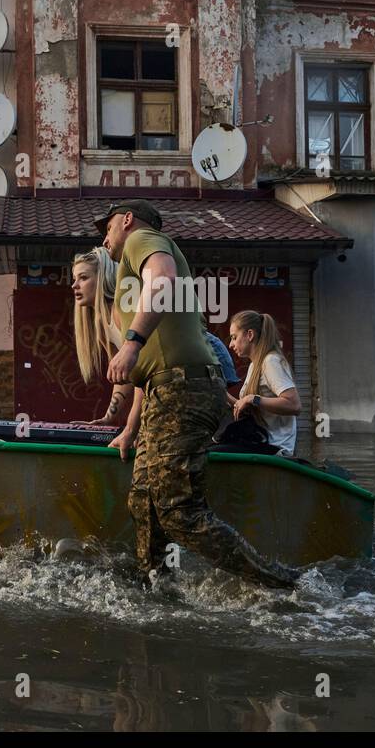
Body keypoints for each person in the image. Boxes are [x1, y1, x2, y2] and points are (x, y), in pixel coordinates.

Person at [98, 199, 299, 589]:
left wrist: (132, 342)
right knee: (144, 499)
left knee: (177, 510)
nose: (105, 238)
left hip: (184, 390)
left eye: (107, 228)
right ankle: (156, 585)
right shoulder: (130, 277)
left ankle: (280, 585)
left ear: (126, 220)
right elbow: (155, 367)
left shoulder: (143, 238)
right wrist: (130, 428)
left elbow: (163, 279)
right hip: (166, 390)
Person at [70, 247, 141, 440]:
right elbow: (124, 377)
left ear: (104, 278)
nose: (74, 285)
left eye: (83, 278)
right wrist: (108, 418)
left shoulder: (121, 311)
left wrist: (131, 427)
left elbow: (145, 372)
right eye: (74, 279)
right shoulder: (102, 324)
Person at [228, 310, 301, 457]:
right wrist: (222, 394)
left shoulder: (271, 361)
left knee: (214, 453)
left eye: (234, 337)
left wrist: (252, 398)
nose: (231, 344)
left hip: (275, 447)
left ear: (249, 335)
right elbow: (250, 409)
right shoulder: (254, 365)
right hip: (260, 440)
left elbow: (294, 405)